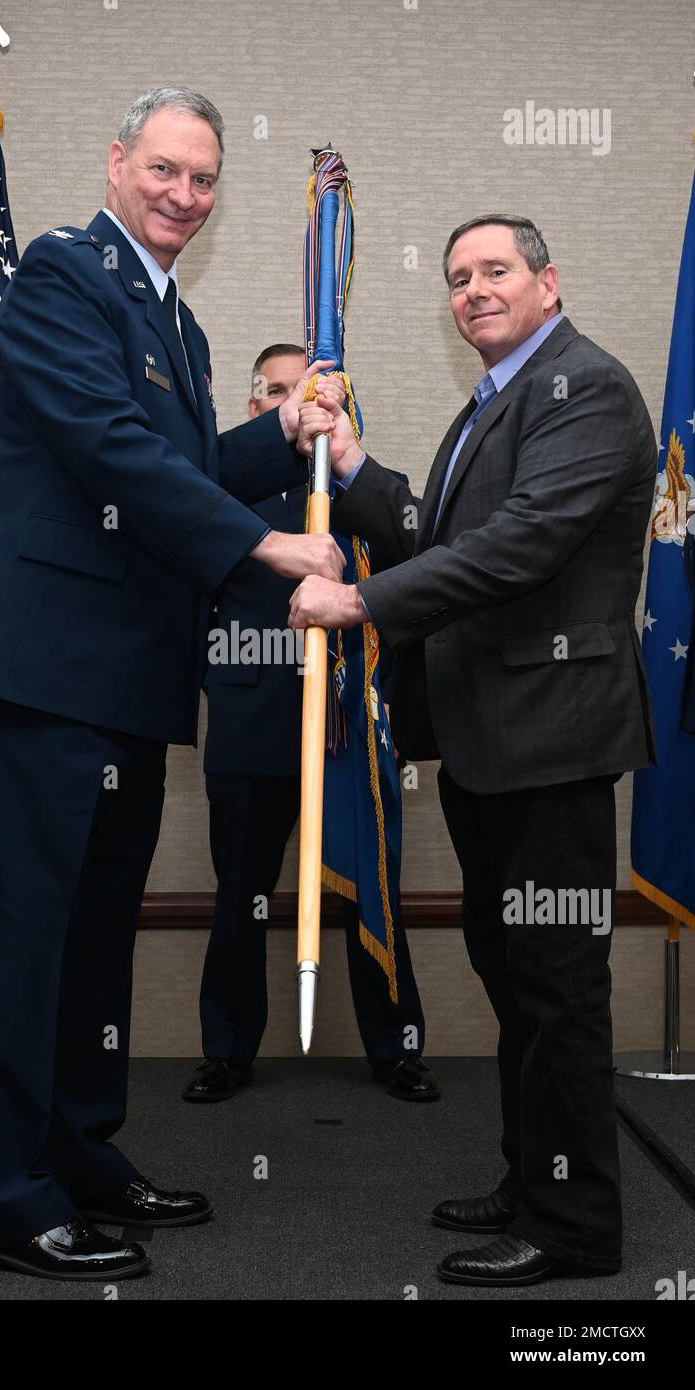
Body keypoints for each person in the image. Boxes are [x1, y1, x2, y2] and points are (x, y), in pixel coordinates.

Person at [0, 86, 346, 1284]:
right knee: (25, 939)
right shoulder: (65, 277)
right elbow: (105, 447)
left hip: (127, 679)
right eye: (165, 169)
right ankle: (2, 1198)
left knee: (91, 940)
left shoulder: (182, 325)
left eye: (206, 179)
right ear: (118, 161)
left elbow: (175, 466)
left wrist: (280, 433)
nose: (183, 194)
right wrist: (268, 546)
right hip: (49, 665)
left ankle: (78, 1152)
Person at [288, 214, 656, 1287]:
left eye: (494, 271)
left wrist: (356, 600)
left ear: (550, 280)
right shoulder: (491, 404)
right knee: (513, 979)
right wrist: (353, 465)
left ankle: (576, 1226)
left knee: (555, 989)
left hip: (553, 744)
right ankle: (533, 1177)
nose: (473, 290)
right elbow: (438, 537)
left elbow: (521, 544)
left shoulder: (585, 388)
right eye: (456, 278)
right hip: (491, 746)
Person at [183, 343, 437, 1104]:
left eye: (311, 389)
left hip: (347, 733)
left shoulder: (360, 488)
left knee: (371, 889)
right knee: (241, 897)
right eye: (278, 392)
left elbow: (416, 560)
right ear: (257, 406)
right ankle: (227, 1050)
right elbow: (185, 597)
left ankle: (396, 1047)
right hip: (251, 723)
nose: (296, 403)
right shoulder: (219, 488)